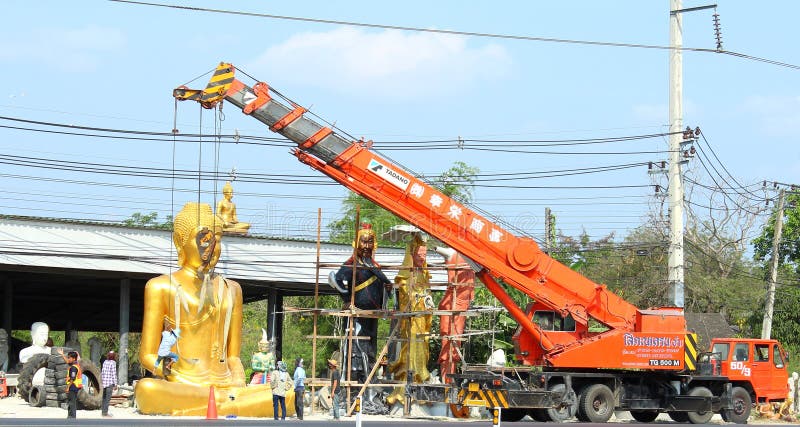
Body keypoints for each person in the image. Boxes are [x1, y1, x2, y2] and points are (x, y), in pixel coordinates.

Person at [135, 202, 290, 417]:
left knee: (287, 392)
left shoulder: (232, 289)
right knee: (147, 389)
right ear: (180, 242)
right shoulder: (161, 286)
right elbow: (147, 355)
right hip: (185, 383)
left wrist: (238, 378)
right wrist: (171, 373)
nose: (211, 247)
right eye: (204, 239)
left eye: (217, 239)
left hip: (224, 383)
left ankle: (221, 403)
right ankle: (228, 405)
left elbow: (233, 356)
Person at [329, 223, 391, 382]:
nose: (367, 246)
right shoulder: (351, 264)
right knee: (355, 349)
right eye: (364, 241)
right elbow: (335, 280)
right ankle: (355, 381)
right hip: (356, 314)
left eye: (370, 241)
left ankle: (368, 379)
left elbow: (386, 285)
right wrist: (347, 299)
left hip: (372, 315)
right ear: (356, 243)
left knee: (370, 348)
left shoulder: (375, 266)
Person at [387, 231, 434, 405]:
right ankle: (407, 383)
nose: (422, 258)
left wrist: (427, 299)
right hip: (411, 319)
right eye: (419, 254)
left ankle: (421, 380)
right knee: (411, 345)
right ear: (412, 255)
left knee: (422, 346)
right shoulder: (406, 275)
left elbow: (427, 292)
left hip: (422, 318)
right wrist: (416, 295)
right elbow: (405, 293)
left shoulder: (424, 273)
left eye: (425, 254)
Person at [58, 349, 82, 419]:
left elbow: (72, 378)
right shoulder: (75, 364)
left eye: (69, 357)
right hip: (74, 386)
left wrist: (68, 387)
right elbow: (67, 361)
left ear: (74, 358)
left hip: (73, 386)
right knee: (71, 401)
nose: (68, 359)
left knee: (72, 402)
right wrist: (62, 354)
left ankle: (72, 417)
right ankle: (70, 416)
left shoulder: (74, 368)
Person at [101, 351, 117, 417]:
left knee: (104, 398)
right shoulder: (113, 363)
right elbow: (114, 374)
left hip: (104, 383)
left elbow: (102, 372)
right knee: (107, 399)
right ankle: (105, 413)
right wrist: (115, 384)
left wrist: (102, 381)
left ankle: (103, 412)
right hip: (110, 383)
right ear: (113, 356)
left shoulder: (105, 362)